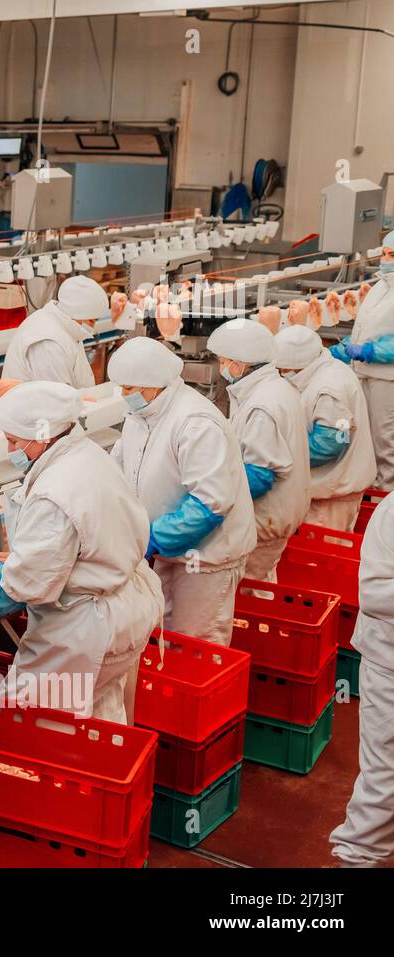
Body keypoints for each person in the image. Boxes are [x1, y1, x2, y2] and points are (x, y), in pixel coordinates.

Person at [0, 382, 163, 722]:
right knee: (99, 721)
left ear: (43, 436)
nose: (10, 450)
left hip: (84, 629)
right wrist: (25, 562)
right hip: (124, 607)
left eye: (15, 442)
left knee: (34, 724)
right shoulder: (87, 454)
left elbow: (24, 586)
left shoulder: (56, 490)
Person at [108, 336, 256, 645]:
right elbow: (122, 468)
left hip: (206, 560)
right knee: (167, 642)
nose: (123, 395)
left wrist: (152, 539)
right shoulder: (140, 413)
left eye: (129, 388)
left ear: (155, 384)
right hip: (168, 554)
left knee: (195, 646)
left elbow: (209, 504)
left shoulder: (195, 422)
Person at [207, 319, 309, 580]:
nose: (222, 368)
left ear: (240, 364)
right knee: (263, 580)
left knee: (253, 585)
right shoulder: (273, 388)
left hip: (265, 518)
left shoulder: (262, 406)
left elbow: (259, 476)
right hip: (278, 514)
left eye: (223, 361)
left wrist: (213, 500)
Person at [330, 492, 394, 866]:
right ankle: (358, 859)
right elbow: (372, 593)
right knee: (385, 780)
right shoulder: (390, 513)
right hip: (389, 665)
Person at [275, 325, 377, 531]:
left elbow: (331, 444)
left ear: (296, 366)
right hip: (329, 489)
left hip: (333, 496)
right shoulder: (324, 371)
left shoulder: (328, 388)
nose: (282, 374)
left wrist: (281, 456)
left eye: (283, 370)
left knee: (321, 557)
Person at [331, 231, 394, 488]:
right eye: (385, 253)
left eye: (393, 255)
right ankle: (369, 488)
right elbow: (365, 327)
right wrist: (346, 348)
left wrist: (369, 351)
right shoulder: (381, 285)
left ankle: (386, 495)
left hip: (387, 379)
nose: (387, 259)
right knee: (364, 437)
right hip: (363, 374)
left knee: (385, 440)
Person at [1, 275, 111, 389]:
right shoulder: (48, 342)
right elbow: (56, 399)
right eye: (92, 320)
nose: (92, 326)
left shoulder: (66, 327)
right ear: (76, 314)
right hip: (37, 406)